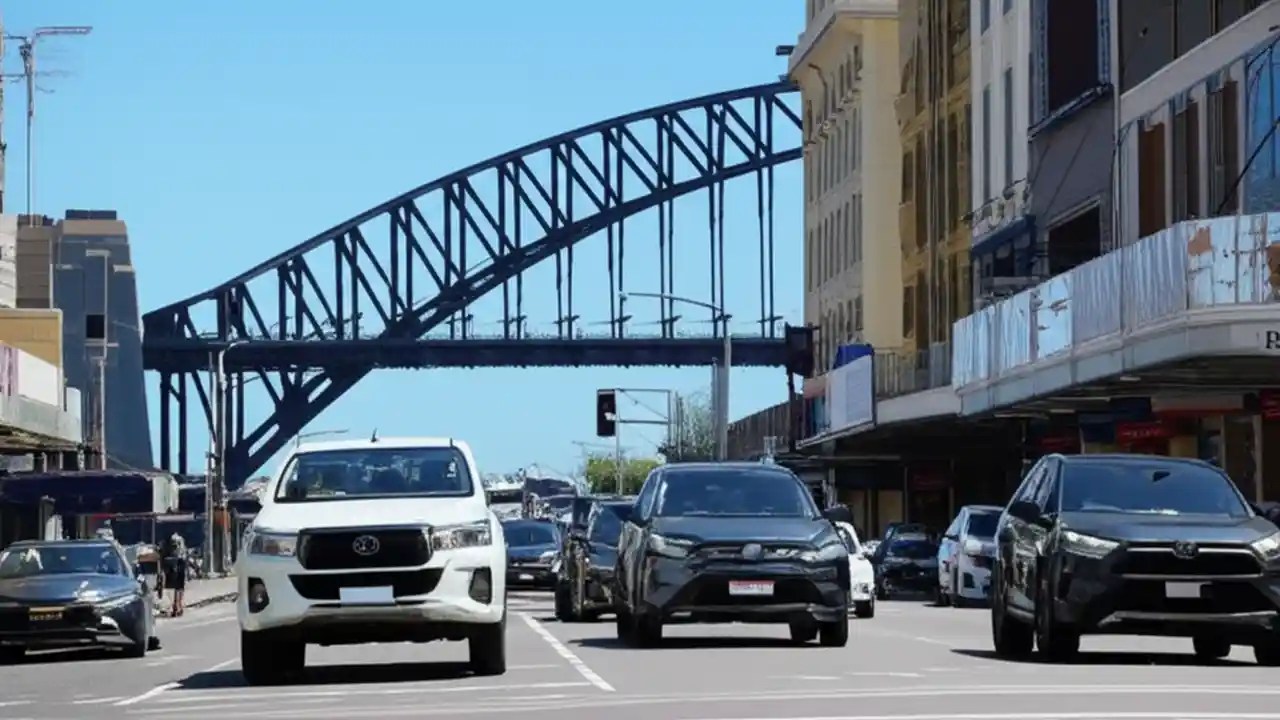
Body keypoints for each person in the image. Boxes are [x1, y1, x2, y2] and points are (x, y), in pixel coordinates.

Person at [162, 534, 187, 617]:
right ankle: (178, 605)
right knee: (179, 587)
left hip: (174, 564)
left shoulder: (168, 541)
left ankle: (176, 605)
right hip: (179, 563)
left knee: (176, 587)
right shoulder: (179, 540)